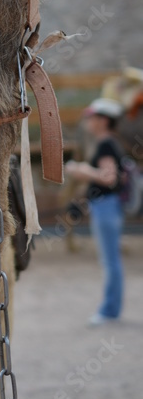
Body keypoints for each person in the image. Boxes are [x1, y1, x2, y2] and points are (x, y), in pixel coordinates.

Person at [65, 97, 126, 326]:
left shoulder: (105, 144)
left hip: (106, 207)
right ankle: (111, 309)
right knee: (111, 260)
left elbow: (109, 178)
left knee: (110, 261)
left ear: (103, 120)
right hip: (107, 206)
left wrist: (81, 170)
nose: (88, 120)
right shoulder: (109, 143)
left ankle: (109, 311)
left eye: (92, 116)